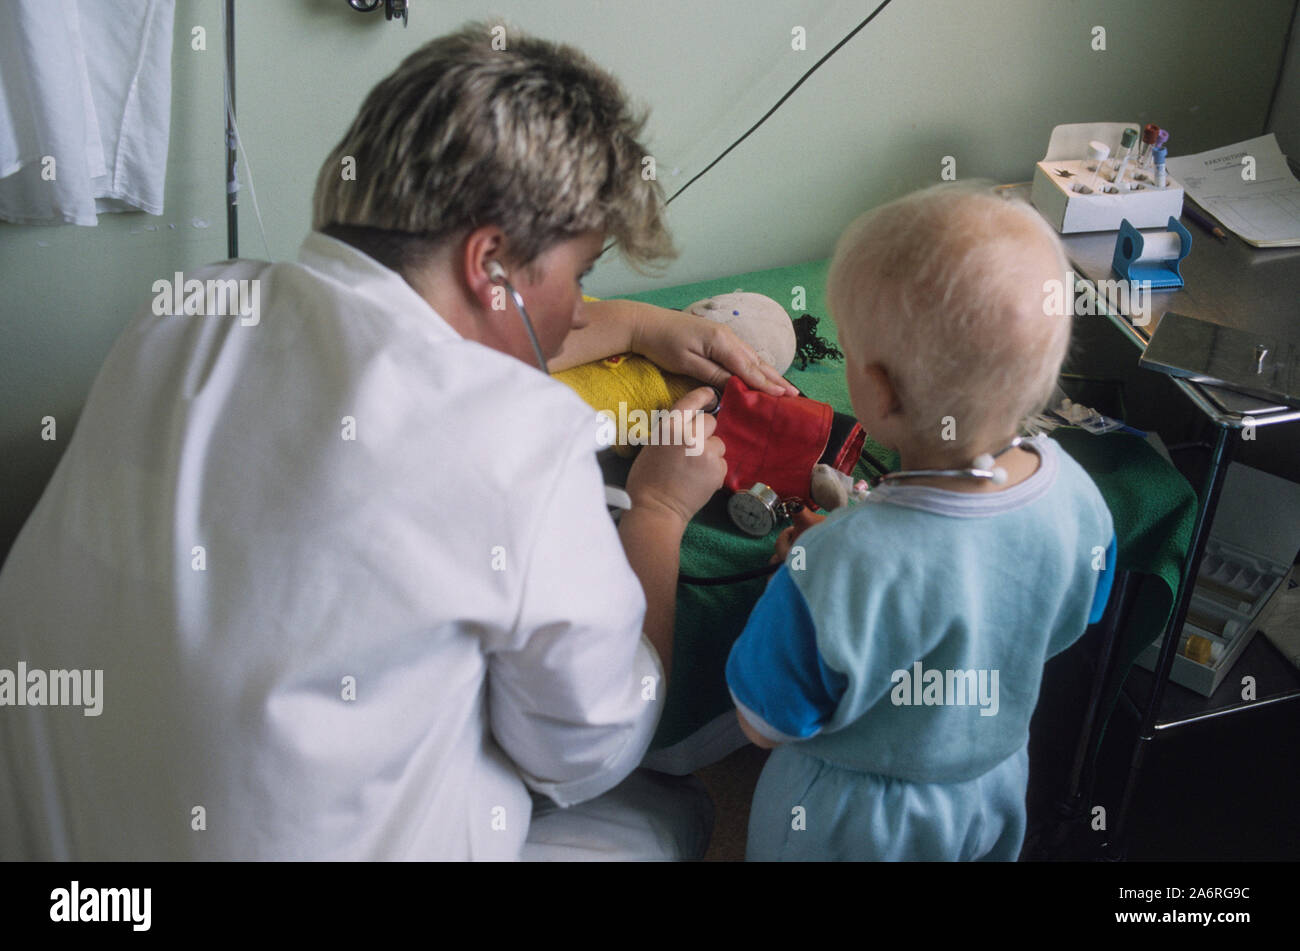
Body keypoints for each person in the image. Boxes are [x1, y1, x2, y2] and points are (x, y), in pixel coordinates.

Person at [0, 22, 787, 861]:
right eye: (582, 276)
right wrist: (660, 511)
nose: (576, 311)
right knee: (662, 809)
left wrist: (634, 323)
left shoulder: (192, 307)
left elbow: (412, 332)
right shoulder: (523, 437)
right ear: (490, 262)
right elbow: (590, 749)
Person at [724, 185, 1116, 861]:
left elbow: (761, 722)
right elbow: (1063, 619)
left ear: (877, 389)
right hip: (989, 793)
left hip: (849, 823)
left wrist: (815, 567)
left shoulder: (839, 567)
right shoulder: (1082, 500)